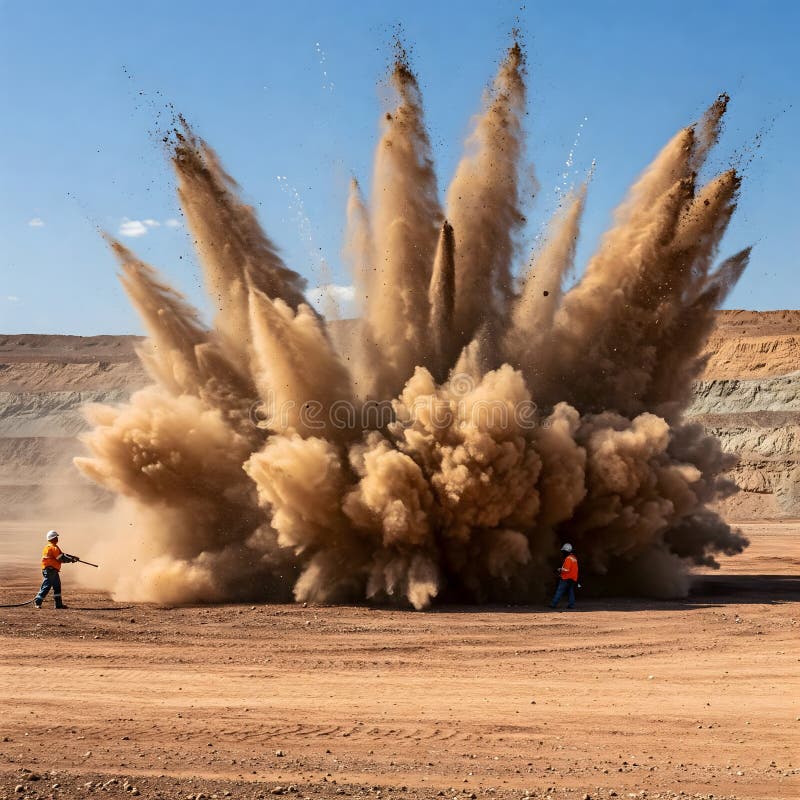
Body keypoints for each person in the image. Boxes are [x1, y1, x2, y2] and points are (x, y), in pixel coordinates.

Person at [34, 530, 79, 609]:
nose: (57, 538)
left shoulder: (49, 547)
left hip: (52, 570)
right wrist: (72, 560)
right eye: (56, 537)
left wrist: (72, 557)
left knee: (57, 586)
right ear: (53, 538)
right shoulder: (53, 547)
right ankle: (38, 601)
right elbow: (61, 558)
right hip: (50, 570)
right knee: (46, 586)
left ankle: (58, 604)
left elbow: (62, 555)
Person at [550, 542, 579, 610]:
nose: (563, 552)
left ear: (567, 551)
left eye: (563, 551)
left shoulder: (568, 559)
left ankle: (553, 604)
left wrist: (559, 569)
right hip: (572, 578)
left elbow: (566, 570)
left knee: (559, 591)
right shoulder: (574, 558)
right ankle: (571, 605)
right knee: (570, 592)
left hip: (566, 578)